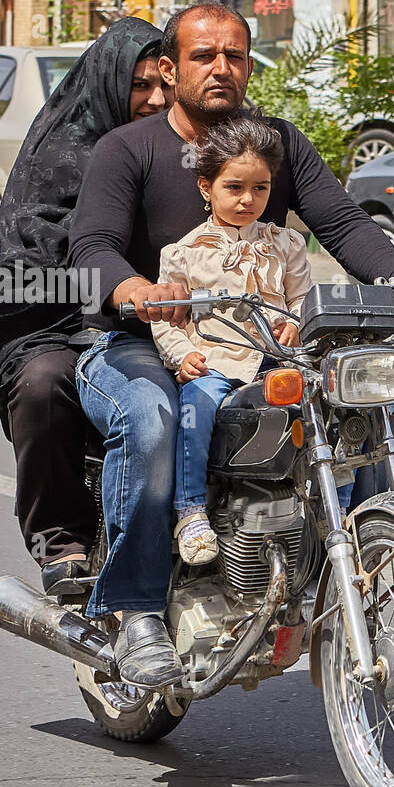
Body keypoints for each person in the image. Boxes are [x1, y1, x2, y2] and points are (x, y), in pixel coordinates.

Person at [67, 1, 394, 690]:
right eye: (203, 55)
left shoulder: (276, 142)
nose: (221, 68)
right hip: (143, 344)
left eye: (235, 56)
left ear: (250, 65)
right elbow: (91, 247)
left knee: (365, 399)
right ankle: (135, 613)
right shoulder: (129, 150)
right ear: (170, 67)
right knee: (154, 420)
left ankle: (346, 571)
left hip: (252, 344)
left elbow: (339, 221)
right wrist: (132, 289)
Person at [0, 17, 171, 597]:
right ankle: (62, 540)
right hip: (63, 322)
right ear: (109, 83)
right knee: (45, 382)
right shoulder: (64, 151)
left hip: (184, 316)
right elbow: (37, 263)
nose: (154, 100)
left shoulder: (189, 146)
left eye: (163, 83)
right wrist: (120, 294)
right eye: (137, 86)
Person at [150, 113, 316, 564]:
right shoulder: (182, 253)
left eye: (260, 188)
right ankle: (190, 510)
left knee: (331, 398)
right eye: (234, 187)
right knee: (196, 406)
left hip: (277, 360)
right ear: (207, 187)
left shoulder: (287, 244)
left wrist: (295, 324)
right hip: (215, 360)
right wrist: (182, 356)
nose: (248, 200)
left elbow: (302, 300)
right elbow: (166, 318)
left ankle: (331, 502)